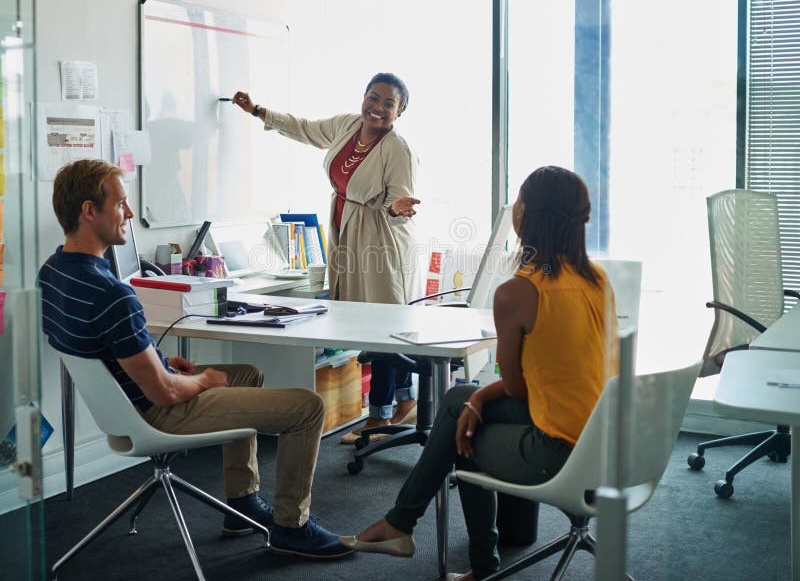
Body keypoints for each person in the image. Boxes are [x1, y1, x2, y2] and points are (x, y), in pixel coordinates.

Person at [39, 159, 352, 559]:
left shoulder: (52, 273)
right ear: (88, 211)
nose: (130, 214)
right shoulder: (113, 294)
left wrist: (161, 360)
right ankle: (293, 526)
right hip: (154, 412)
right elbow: (167, 392)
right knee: (307, 407)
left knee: (247, 374)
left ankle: (242, 504)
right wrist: (202, 381)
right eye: (120, 203)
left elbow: (112, 352)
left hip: (121, 403)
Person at [337, 166, 619, 580]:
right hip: (608, 444)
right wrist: (478, 397)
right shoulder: (598, 280)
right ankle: (410, 530)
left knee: (464, 435)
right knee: (461, 400)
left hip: (563, 455)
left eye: (520, 202)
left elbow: (520, 388)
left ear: (528, 216)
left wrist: (479, 401)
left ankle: (421, 535)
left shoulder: (519, 292)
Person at [233, 73, 422, 443]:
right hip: (346, 229)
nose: (377, 107)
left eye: (388, 103)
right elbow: (305, 129)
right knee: (367, 321)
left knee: (381, 326)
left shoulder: (397, 148)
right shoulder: (346, 126)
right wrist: (258, 111)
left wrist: (398, 207)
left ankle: (380, 417)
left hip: (380, 239)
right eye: (373, 97)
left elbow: (398, 200)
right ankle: (406, 401)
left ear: (399, 112)